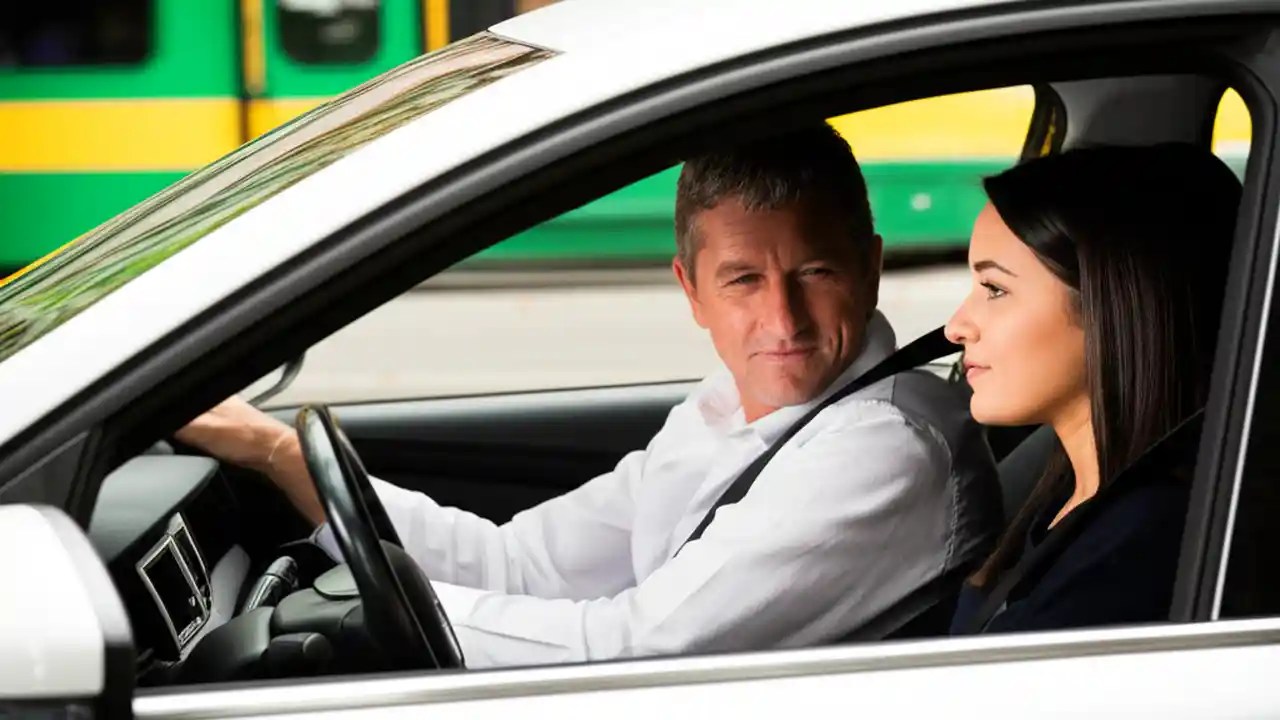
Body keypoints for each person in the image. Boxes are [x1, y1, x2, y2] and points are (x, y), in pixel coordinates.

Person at [179, 124, 1000, 667]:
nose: (780, 317)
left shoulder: (884, 448)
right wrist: (279, 453)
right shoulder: (727, 408)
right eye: (743, 280)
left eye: (813, 273)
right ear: (692, 292)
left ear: (870, 265)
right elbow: (523, 565)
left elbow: (633, 649)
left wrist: (368, 613)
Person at [944, 143, 1241, 634]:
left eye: (995, 289)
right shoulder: (1071, 495)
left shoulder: (1138, 551)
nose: (957, 326)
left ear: (1109, 308)